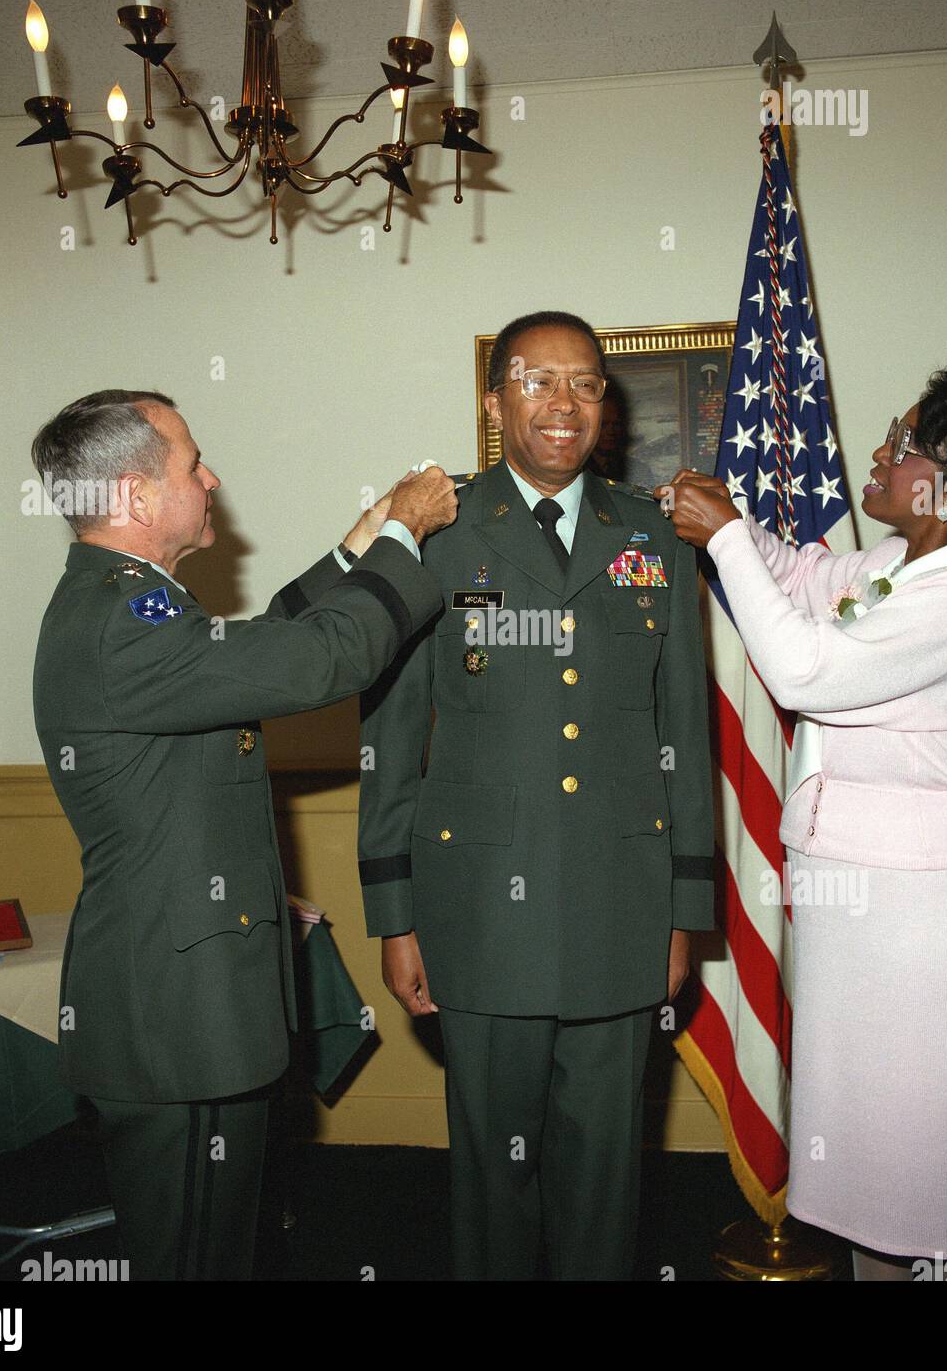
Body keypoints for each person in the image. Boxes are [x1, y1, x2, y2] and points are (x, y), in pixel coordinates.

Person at [31, 389, 456, 1279]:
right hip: (177, 1022)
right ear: (139, 499)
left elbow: (254, 645)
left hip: (184, 1001)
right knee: (193, 1257)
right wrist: (403, 539)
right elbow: (319, 661)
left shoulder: (131, 604)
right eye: (192, 461)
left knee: (214, 1245)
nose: (211, 476)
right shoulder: (123, 620)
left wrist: (356, 544)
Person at [660, 362, 947, 1281]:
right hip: (861, 901)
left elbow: (804, 673)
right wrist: (736, 523)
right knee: (868, 1185)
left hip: (925, 915)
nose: (881, 452)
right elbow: (803, 576)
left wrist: (721, 542)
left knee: (931, 1187)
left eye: (904, 442)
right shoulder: (901, 566)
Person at [358, 311, 715, 1280]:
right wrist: (395, 915)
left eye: (585, 384)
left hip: (619, 909)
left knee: (606, 1180)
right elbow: (390, 741)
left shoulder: (651, 534)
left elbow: (684, 728)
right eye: (537, 381)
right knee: (490, 1177)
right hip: (475, 917)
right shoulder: (438, 535)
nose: (564, 404)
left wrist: (685, 911)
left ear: (606, 404)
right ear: (493, 400)